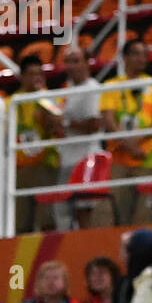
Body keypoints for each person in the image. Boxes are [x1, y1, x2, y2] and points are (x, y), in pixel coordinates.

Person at [100, 39, 152, 224]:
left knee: (144, 212)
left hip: (146, 156)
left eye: (145, 54)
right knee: (117, 211)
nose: (142, 58)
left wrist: (136, 141)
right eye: (136, 53)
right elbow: (107, 118)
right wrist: (127, 144)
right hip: (119, 157)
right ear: (124, 57)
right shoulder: (111, 85)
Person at [53, 44, 107, 229]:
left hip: (86, 158)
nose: (71, 66)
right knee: (62, 211)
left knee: (84, 209)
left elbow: (94, 124)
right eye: (67, 62)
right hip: (67, 157)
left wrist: (65, 123)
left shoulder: (93, 88)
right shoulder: (65, 89)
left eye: (76, 61)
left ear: (87, 63)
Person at [11, 53, 61, 234]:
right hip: (20, 167)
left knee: (46, 216)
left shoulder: (49, 99)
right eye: (32, 74)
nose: (37, 78)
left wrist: (45, 113)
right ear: (22, 76)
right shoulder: (11, 103)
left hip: (44, 164)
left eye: (40, 74)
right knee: (20, 220)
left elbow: (57, 127)